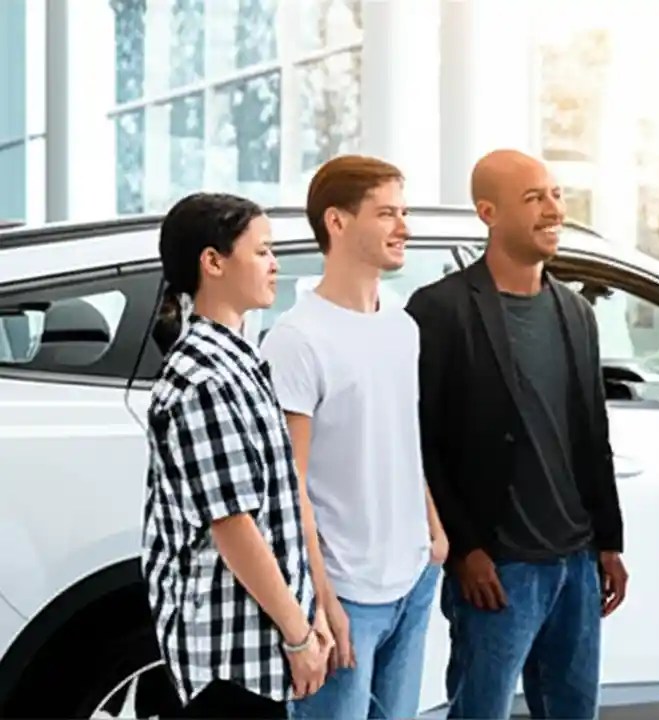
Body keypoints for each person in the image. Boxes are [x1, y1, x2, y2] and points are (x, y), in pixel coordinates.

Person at [404, 149, 627, 720]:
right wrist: (465, 552)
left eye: (555, 194)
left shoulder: (577, 313)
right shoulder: (439, 311)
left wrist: (608, 542)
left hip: (576, 563)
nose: (554, 209)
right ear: (488, 212)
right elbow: (422, 445)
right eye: (534, 198)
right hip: (498, 568)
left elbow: (592, 436)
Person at [260, 155, 449, 719]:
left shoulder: (402, 326)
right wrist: (321, 601)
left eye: (404, 211)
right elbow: (289, 488)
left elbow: (402, 440)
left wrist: (434, 536)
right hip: (345, 593)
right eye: (387, 213)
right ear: (337, 223)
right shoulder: (296, 340)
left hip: (412, 579)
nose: (404, 227)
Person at [141, 192, 328, 719]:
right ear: (213, 262)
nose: (276, 264)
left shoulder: (236, 361)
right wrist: (298, 636)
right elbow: (234, 527)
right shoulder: (204, 378)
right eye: (263, 250)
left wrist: (305, 616)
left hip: (252, 649)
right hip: (228, 657)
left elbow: (275, 512)